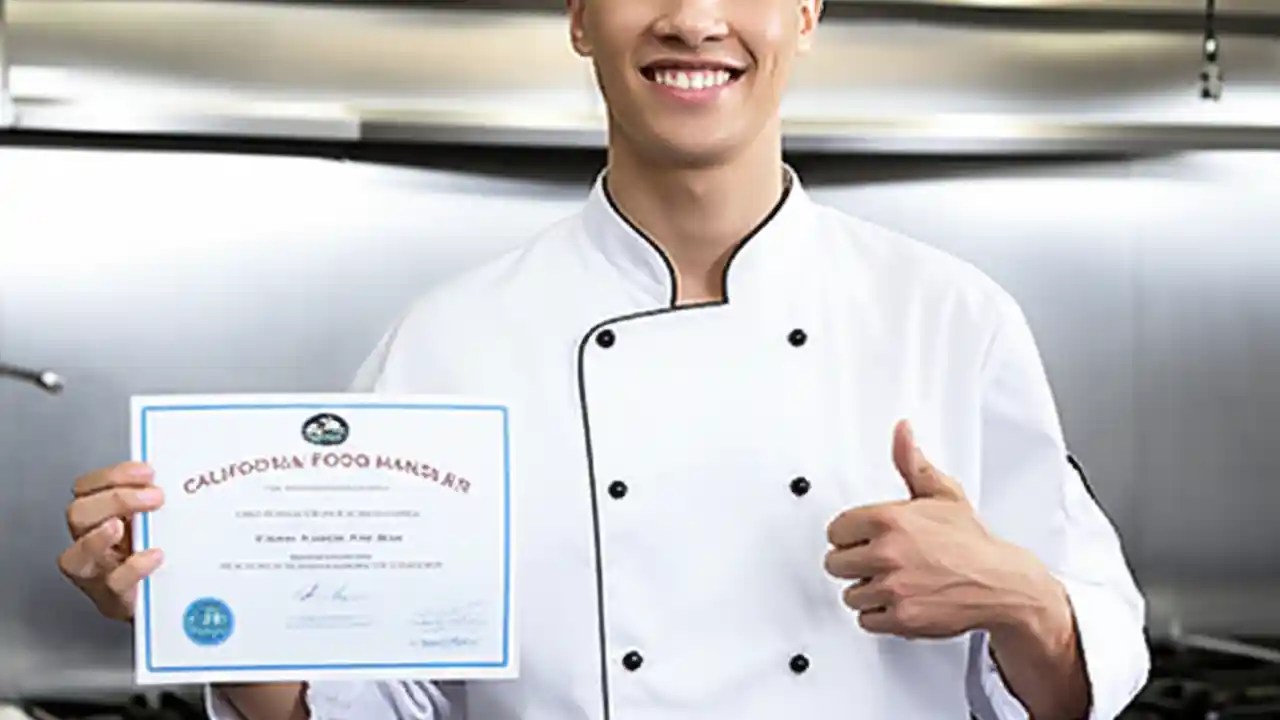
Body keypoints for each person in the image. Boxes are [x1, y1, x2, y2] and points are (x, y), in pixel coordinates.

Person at [57, 0, 1150, 717]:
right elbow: (385, 699)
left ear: (805, 11)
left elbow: (1078, 677)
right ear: (579, 15)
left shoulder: (951, 318)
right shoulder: (451, 340)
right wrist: (222, 614)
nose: (691, 19)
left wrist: (1021, 603)